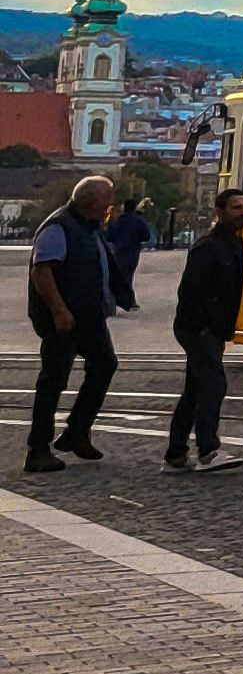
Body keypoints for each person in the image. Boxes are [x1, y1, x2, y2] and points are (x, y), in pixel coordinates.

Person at [25, 175, 121, 472]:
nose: (111, 206)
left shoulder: (89, 226)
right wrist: (58, 309)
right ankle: (38, 450)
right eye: (108, 201)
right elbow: (42, 271)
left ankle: (77, 432)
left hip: (89, 316)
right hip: (65, 319)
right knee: (53, 380)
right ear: (92, 203)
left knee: (105, 364)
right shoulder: (59, 227)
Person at [164, 190, 243, 472]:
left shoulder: (233, 244)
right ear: (219, 211)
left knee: (196, 389)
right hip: (199, 328)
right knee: (213, 384)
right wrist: (203, 326)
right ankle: (208, 451)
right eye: (236, 207)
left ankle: (176, 454)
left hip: (210, 327)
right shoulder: (209, 247)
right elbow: (190, 291)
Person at [100, 192, 155, 315]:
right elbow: (146, 236)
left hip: (118, 252)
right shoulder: (139, 221)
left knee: (118, 276)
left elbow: (109, 236)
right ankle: (128, 300)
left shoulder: (118, 221)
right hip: (133, 252)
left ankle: (121, 300)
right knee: (128, 275)